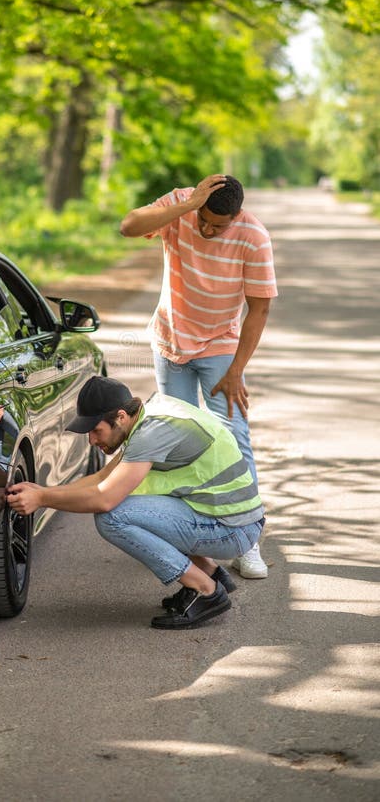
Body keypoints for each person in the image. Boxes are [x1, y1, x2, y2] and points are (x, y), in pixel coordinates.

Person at [6, 376, 265, 630]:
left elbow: (104, 498)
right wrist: (44, 491)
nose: (92, 441)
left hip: (233, 529)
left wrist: (41, 498)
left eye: (96, 430)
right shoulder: (146, 419)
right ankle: (207, 572)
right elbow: (101, 478)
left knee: (113, 517)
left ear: (120, 416)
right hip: (228, 519)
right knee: (131, 504)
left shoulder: (152, 432)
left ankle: (206, 590)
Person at [119, 174, 277, 579]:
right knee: (174, 442)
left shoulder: (253, 237)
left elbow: (258, 309)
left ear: (236, 216)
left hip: (220, 347)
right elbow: (129, 226)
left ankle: (247, 540)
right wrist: (188, 207)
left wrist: (236, 370)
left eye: (217, 226)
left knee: (234, 435)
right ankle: (182, 534)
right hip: (170, 341)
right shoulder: (181, 207)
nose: (207, 230)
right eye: (204, 220)